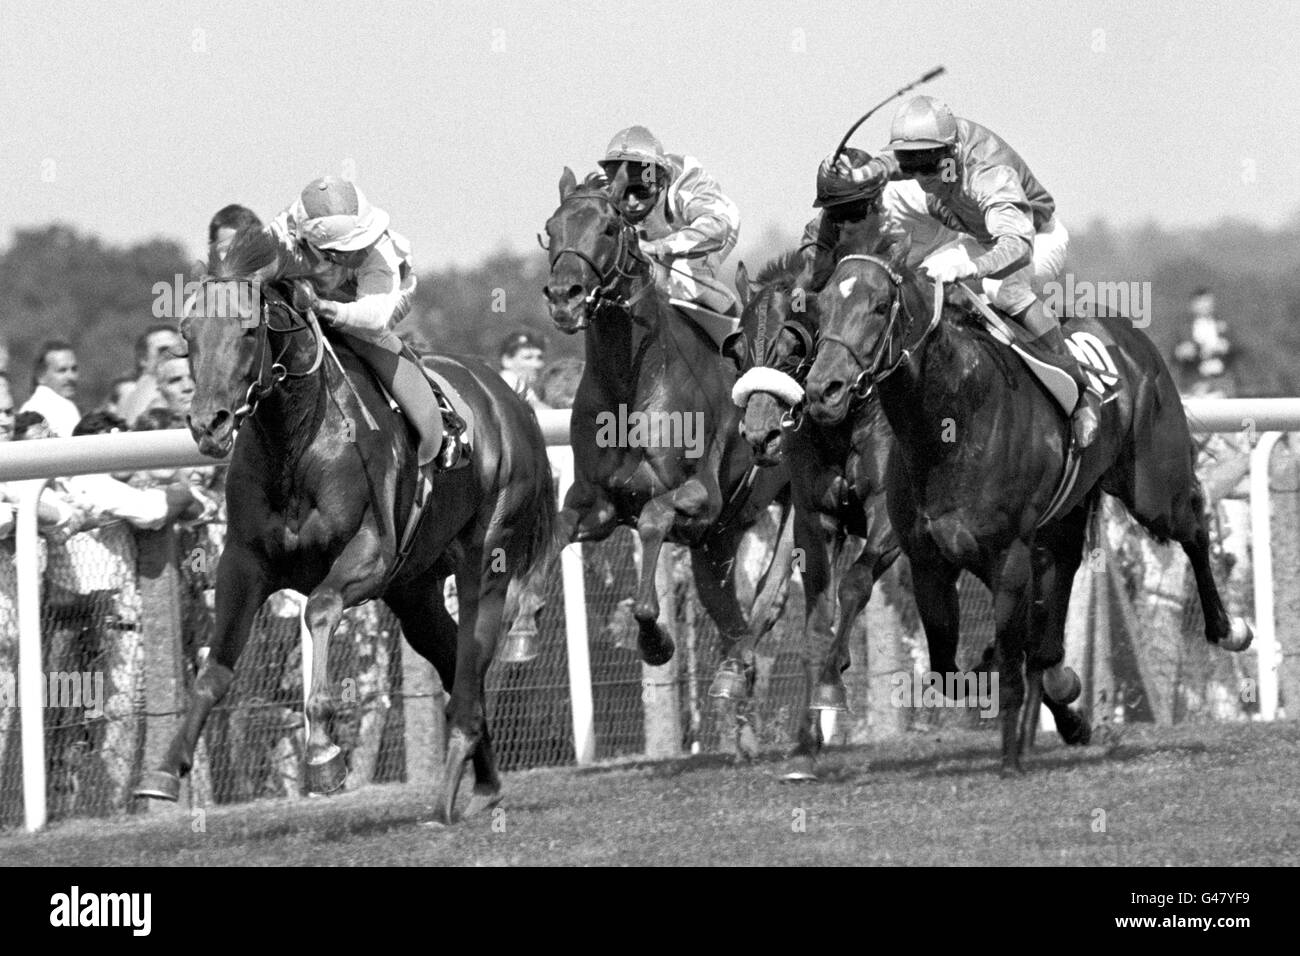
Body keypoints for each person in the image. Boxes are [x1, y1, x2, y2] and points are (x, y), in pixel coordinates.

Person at [822, 96, 1100, 447]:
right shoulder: (930, 151)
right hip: (979, 236)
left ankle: (1080, 394)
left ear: (951, 153)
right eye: (913, 164)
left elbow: (1017, 248)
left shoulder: (989, 174)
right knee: (922, 282)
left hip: (1034, 238)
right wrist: (861, 174)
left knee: (1005, 291)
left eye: (928, 166)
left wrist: (972, 266)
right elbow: (895, 161)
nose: (920, 176)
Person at [258, 176, 469, 472]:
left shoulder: (380, 253)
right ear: (319, 245)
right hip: (317, 285)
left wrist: (326, 309)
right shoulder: (281, 234)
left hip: (381, 296)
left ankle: (443, 416)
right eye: (350, 249)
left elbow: (374, 317)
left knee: (364, 340)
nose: (363, 250)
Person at [597, 126, 742, 316]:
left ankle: (741, 328)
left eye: (641, 191)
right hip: (653, 238)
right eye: (624, 192)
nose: (631, 202)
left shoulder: (687, 180)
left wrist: (659, 247)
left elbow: (716, 226)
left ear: (661, 182)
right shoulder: (605, 185)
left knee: (683, 279)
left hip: (712, 231)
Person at [117, 325, 184, 426]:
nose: (173, 355)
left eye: (178, 349)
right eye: (164, 350)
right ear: (143, 359)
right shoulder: (128, 392)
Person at [20, 340, 81, 437]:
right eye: (62, 370)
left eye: (74, 369)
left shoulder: (28, 408)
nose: (71, 377)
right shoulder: (63, 407)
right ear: (41, 376)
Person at [498, 331, 549, 408]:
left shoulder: (526, 387)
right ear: (507, 360)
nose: (537, 365)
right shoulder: (508, 383)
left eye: (540, 358)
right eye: (528, 357)